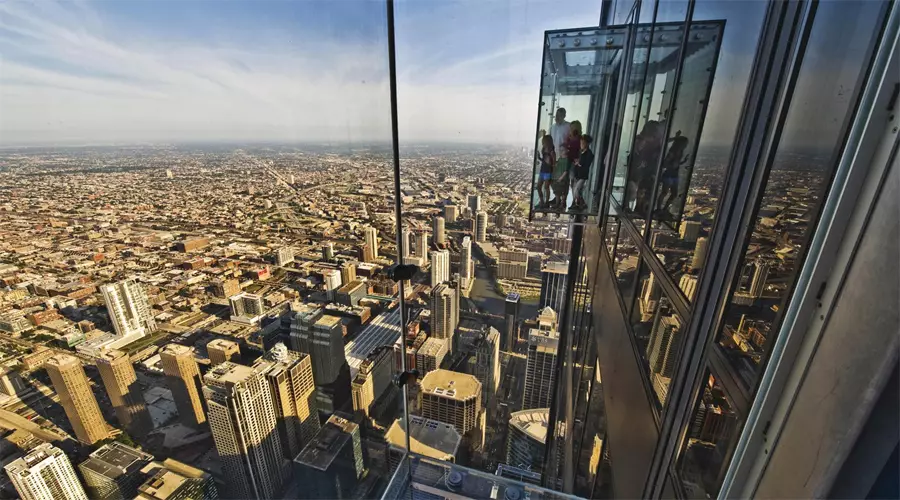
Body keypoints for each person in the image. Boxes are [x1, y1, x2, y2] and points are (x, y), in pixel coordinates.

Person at [553, 120, 582, 209]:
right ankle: (562, 201)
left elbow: (580, 152)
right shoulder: (569, 138)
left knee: (573, 183)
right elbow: (565, 146)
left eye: (573, 128)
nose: (571, 129)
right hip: (566, 162)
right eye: (571, 128)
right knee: (565, 182)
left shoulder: (579, 139)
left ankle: (575, 202)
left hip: (573, 163)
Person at [570, 134, 594, 211]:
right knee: (575, 190)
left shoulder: (589, 154)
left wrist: (579, 163)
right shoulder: (581, 152)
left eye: (583, 143)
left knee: (576, 190)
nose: (581, 145)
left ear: (587, 143)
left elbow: (586, 165)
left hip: (583, 175)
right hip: (577, 174)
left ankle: (582, 203)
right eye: (581, 143)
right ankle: (576, 204)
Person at [536, 134, 556, 209]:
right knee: (538, 186)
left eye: (543, 142)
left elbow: (554, 164)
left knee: (546, 187)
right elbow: (544, 161)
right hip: (543, 170)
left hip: (548, 172)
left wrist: (553, 174)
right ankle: (542, 201)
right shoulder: (544, 150)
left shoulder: (552, 152)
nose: (542, 143)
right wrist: (539, 158)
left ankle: (546, 202)